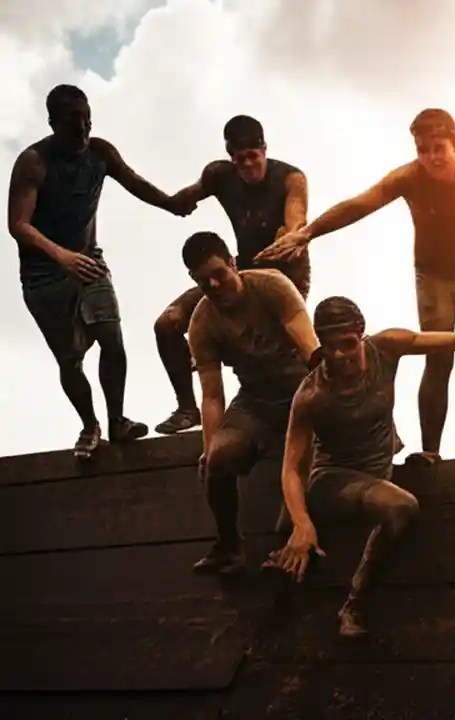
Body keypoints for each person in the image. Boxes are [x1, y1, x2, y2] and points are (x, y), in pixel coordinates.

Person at [256, 108, 455, 460]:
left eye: (438, 148)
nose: (431, 158)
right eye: (423, 150)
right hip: (434, 276)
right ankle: (431, 452)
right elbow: (360, 204)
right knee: (438, 358)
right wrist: (308, 233)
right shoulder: (409, 179)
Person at [267, 297, 455, 638]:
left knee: (412, 485)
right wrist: (301, 524)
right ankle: (355, 602)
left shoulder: (386, 348)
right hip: (335, 480)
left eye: (347, 344)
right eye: (330, 348)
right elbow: (290, 468)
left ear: (361, 335)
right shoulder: (312, 395)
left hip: (380, 468)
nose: (341, 356)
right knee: (401, 506)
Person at [7, 84, 192, 458]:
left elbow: (135, 182)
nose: (83, 129)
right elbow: (18, 225)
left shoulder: (100, 153)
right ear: (53, 122)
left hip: (89, 261)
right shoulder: (34, 162)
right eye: (73, 122)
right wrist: (61, 256)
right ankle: (89, 424)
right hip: (44, 275)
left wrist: (172, 204)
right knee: (70, 359)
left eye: (87, 119)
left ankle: (117, 421)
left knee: (112, 341)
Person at [153, 115, 310, 435]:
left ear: (264, 148)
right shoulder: (219, 176)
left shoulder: (290, 178)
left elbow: (297, 216)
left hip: (285, 277)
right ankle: (187, 408)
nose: (248, 166)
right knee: (167, 323)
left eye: (254, 157)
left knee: (264, 338)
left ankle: (294, 403)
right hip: (237, 273)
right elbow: (183, 199)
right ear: (230, 158)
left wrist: (290, 235)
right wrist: (166, 200)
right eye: (240, 161)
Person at [183, 231, 321, 575]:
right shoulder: (202, 323)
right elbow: (212, 395)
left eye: (220, 274)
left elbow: (312, 354)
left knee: (288, 517)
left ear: (233, 264)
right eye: (204, 281)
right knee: (217, 458)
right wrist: (209, 448)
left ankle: (294, 540)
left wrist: (323, 415)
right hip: (256, 400)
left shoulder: (271, 286)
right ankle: (228, 544)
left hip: (300, 390)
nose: (215, 285)